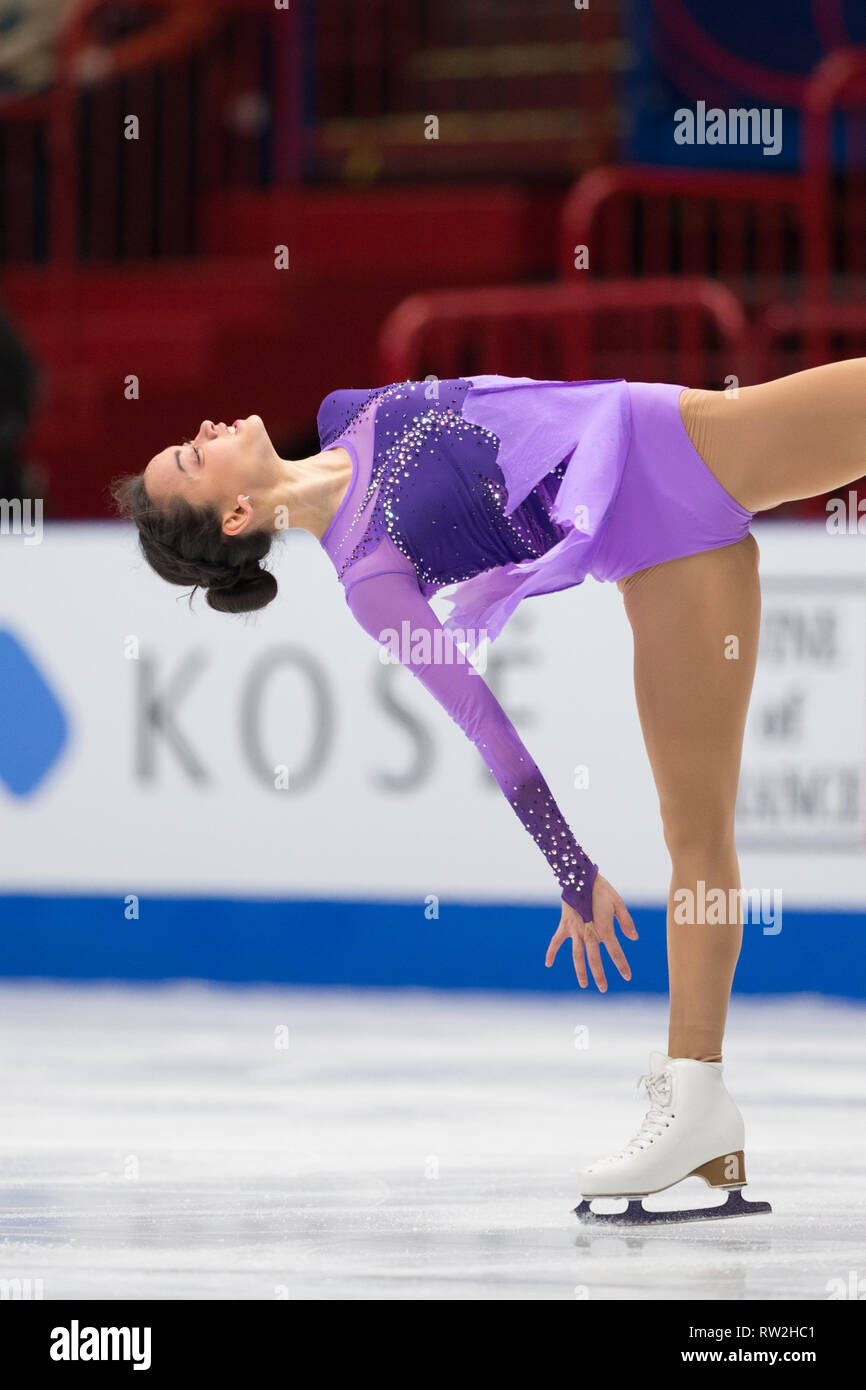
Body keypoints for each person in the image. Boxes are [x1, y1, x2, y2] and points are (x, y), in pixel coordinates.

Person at [113, 360, 866, 1223]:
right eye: (192, 457)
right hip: (656, 560)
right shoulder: (369, 577)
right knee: (696, 836)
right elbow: (484, 723)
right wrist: (572, 869)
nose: (205, 432)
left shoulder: (341, 409)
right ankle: (698, 1108)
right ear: (236, 515)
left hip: (680, 446)